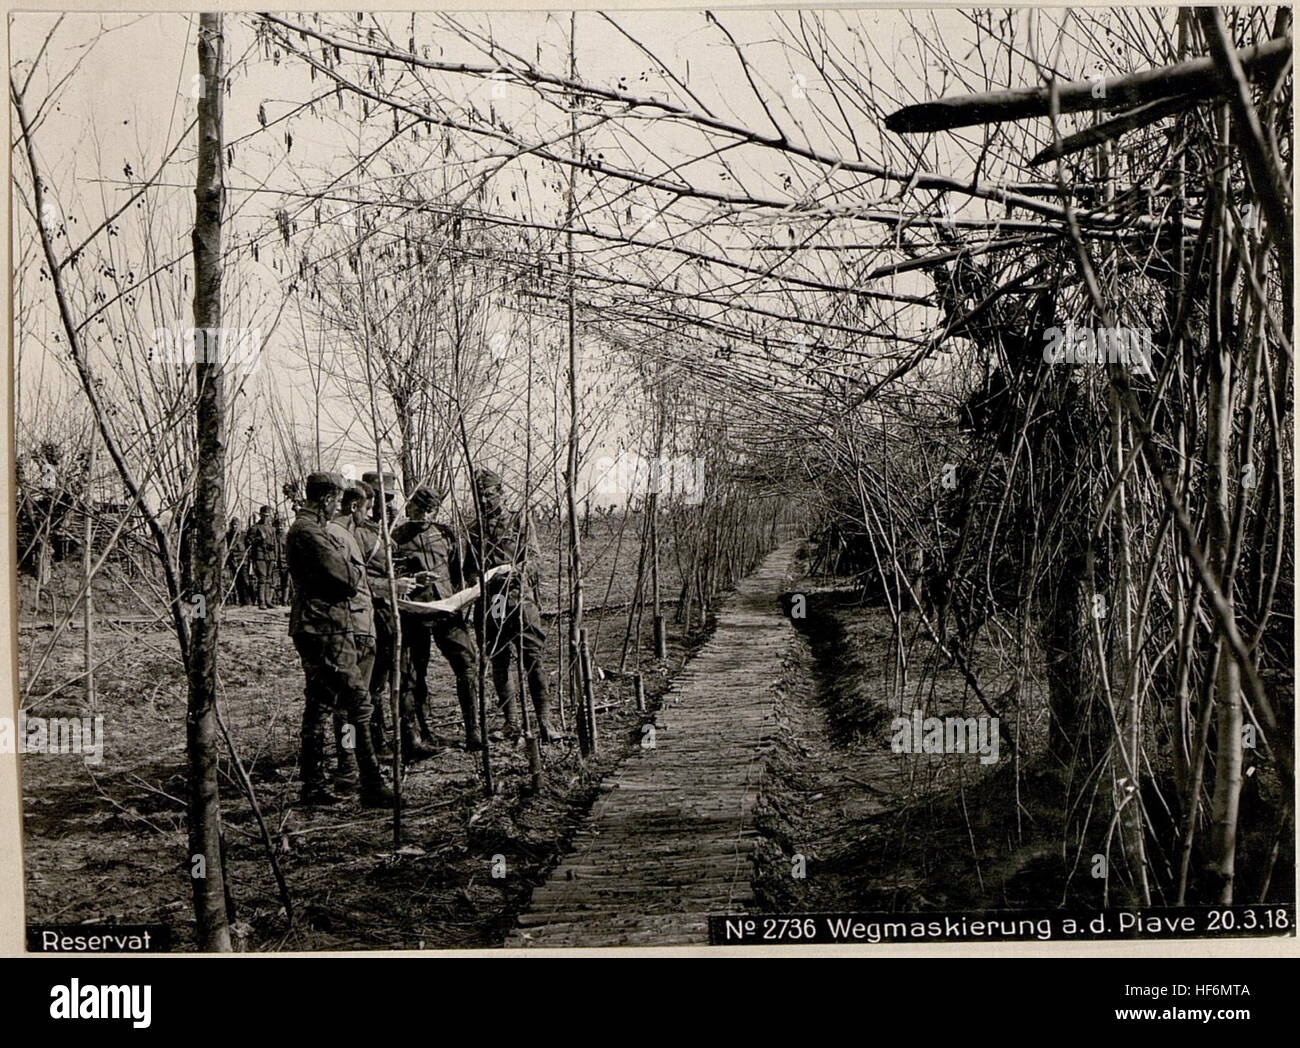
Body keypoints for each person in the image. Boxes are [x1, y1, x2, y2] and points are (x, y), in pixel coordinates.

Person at [285, 471, 396, 807]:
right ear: (327, 499)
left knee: (319, 705)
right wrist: (356, 567)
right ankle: (370, 783)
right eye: (335, 500)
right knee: (358, 701)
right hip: (325, 628)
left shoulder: (309, 530)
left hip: (322, 626)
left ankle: (314, 786)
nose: (338, 507)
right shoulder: (308, 532)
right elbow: (347, 578)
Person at [464, 469, 566, 743]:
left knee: (533, 659)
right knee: (498, 660)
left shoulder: (518, 522)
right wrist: (480, 580)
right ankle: (511, 723)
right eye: (480, 496)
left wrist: (516, 572)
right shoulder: (475, 530)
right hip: (494, 602)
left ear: (501, 493)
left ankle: (545, 721)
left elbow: (534, 559)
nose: (484, 501)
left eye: (488, 494)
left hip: (520, 600)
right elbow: (469, 570)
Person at [391, 485, 481, 753]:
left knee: (466, 664)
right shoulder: (395, 538)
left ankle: (473, 731)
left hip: (446, 612)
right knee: (411, 675)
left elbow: (456, 571)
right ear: (409, 508)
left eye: (431, 511)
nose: (426, 516)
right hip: (413, 614)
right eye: (420, 510)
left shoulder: (446, 535)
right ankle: (418, 735)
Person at [358, 472, 401, 756]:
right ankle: (360, 749)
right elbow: (353, 578)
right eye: (377, 499)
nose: (382, 506)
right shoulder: (357, 531)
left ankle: (380, 739)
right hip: (363, 615)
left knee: (382, 681)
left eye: (387, 500)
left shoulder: (386, 529)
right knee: (363, 686)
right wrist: (390, 585)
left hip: (386, 613)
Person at [248, 505, 276, 608]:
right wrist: (259, 538)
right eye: (264, 515)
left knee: (269, 578)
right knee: (262, 578)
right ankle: (261, 602)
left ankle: (268, 601)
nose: (266, 517)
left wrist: (275, 557)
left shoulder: (271, 528)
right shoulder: (255, 528)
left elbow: (275, 543)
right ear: (260, 515)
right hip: (260, 555)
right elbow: (249, 541)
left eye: (268, 516)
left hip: (270, 556)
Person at [224, 516, 247, 605]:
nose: (234, 527)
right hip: (233, 560)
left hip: (243, 559)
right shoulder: (228, 535)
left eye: (236, 525)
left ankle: (248, 601)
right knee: (237, 581)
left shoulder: (244, 535)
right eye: (233, 525)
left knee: (245, 580)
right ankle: (241, 601)